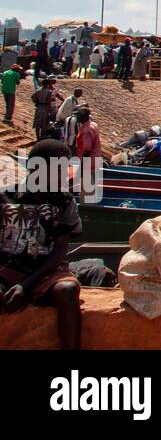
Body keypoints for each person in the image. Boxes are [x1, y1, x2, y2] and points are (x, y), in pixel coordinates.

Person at [0, 139, 84, 349]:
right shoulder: (5, 197)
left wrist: (25, 285)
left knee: (67, 290)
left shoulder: (64, 201)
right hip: (6, 269)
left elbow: (60, 250)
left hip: (43, 271)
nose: (65, 175)